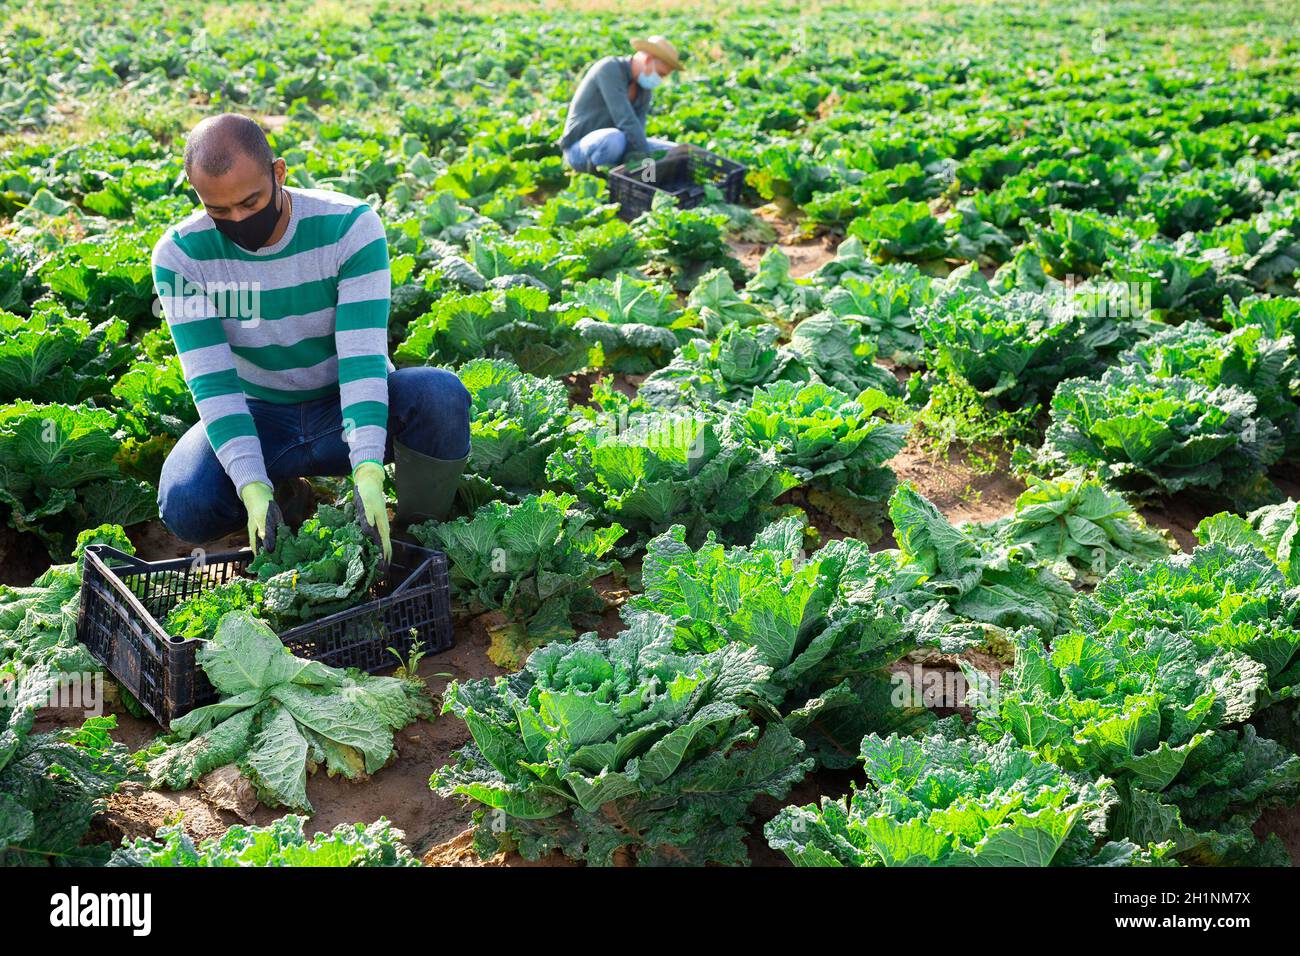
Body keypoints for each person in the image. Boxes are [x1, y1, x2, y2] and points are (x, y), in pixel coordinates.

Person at [152, 113, 470, 560]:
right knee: (186, 501)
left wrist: (367, 470)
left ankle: (414, 539)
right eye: (218, 210)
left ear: (279, 173)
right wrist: (251, 485)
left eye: (251, 202)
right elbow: (213, 383)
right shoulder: (180, 256)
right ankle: (282, 499)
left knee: (440, 395)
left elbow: (361, 359)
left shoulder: (349, 227)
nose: (239, 220)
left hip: (344, 406)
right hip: (262, 416)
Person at [559, 35, 682, 173]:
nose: (659, 80)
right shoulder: (609, 69)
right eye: (660, 74)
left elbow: (638, 127)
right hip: (580, 150)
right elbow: (625, 119)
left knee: (675, 151)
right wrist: (645, 160)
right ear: (648, 60)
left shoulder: (644, 89)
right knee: (613, 139)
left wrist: (644, 162)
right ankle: (603, 179)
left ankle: (625, 178)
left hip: (618, 145)